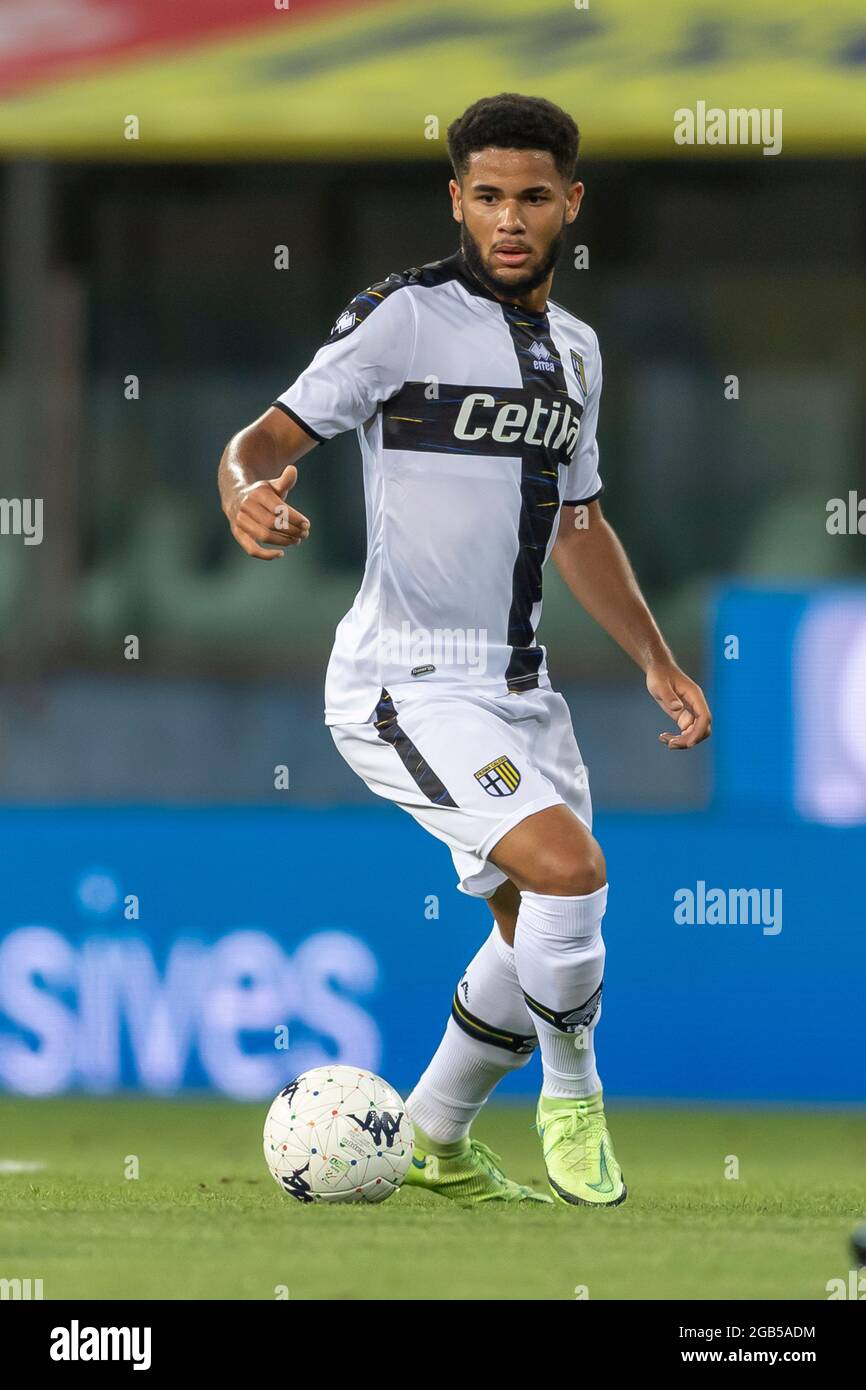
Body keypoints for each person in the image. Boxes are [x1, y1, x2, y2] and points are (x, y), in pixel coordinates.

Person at [218, 92, 711, 1207]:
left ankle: (434, 1137)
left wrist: (651, 657)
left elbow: (578, 521)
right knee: (570, 873)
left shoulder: (576, 355)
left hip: (520, 689)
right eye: (485, 195)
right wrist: (246, 493)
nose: (507, 217)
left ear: (569, 204)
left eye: (531, 196)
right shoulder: (398, 318)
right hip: (405, 679)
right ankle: (574, 1093)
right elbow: (263, 437)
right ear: (455, 200)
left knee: (531, 928)